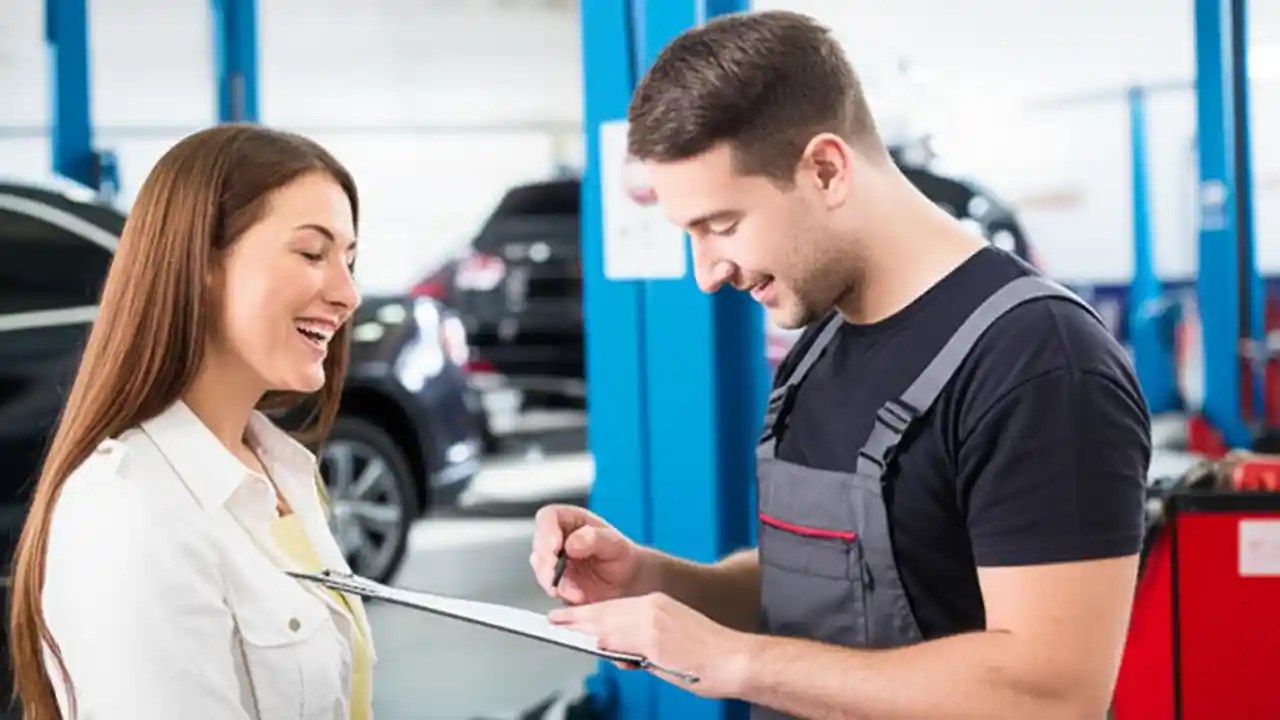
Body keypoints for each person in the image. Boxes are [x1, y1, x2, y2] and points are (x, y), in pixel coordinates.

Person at [531, 10, 1150, 720]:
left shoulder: (1040, 364)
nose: (705, 272)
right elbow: (829, 596)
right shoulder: (824, 341)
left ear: (825, 169)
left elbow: (1051, 693)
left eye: (722, 225)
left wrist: (735, 661)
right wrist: (655, 580)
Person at [9, 124, 376, 719]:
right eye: (312, 253)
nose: (348, 293)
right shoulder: (131, 511)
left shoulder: (280, 470)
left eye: (349, 260)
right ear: (201, 261)